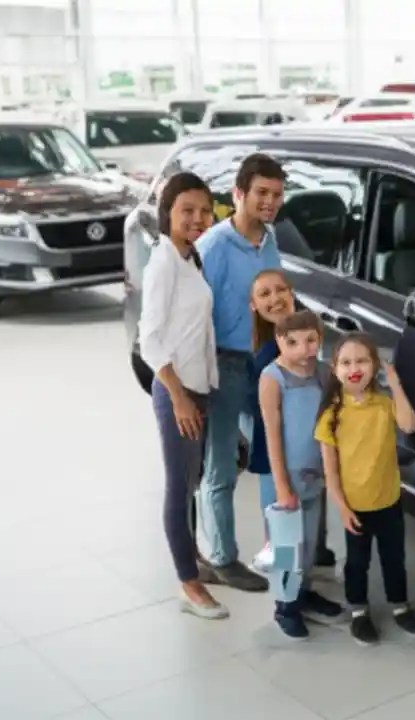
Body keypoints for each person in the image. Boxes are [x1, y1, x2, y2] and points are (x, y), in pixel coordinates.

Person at [194, 153, 288, 592]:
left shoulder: (269, 240)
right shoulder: (213, 246)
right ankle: (221, 558)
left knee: (273, 457)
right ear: (239, 195)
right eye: (262, 194)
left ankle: (282, 547)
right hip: (225, 363)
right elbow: (196, 315)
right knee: (221, 467)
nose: (270, 202)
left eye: (276, 194)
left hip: (264, 358)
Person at [137, 171, 228, 619]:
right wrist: (178, 396)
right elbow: (149, 340)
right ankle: (188, 585)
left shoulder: (190, 257)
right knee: (178, 487)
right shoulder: (163, 264)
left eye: (203, 210)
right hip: (179, 390)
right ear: (167, 213)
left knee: (191, 482)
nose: (197, 218)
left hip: (199, 387)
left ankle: (193, 559)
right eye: (186, 210)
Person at [315, 333, 415, 645]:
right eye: (346, 362)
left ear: (374, 366)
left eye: (362, 361)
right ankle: (358, 611)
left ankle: (400, 607)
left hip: (389, 500)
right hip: (354, 506)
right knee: (357, 563)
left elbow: (409, 425)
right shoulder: (331, 417)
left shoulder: (384, 405)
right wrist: (341, 506)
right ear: (334, 368)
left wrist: (394, 382)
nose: (354, 368)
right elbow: (330, 470)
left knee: (394, 558)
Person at [258, 310, 345, 638]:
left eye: (311, 340)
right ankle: (285, 606)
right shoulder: (272, 378)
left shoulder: (323, 373)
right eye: (293, 342)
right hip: (288, 476)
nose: (304, 349)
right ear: (279, 342)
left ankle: (302, 591)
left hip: (315, 473)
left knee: (308, 542)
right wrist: (281, 483)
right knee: (286, 545)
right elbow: (272, 433)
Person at [246, 268, 336, 575]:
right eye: (264, 294)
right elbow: (267, 422)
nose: (275, 298)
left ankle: (302, 588)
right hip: (278, 456)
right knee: (284, 533)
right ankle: (287, 601)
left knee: (307, 531)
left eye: (280, 290)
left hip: (308, 457)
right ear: (253, 305)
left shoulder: (311, 355)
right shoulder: (268, 360)